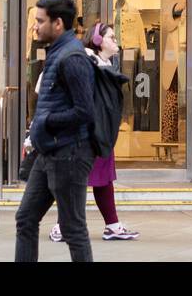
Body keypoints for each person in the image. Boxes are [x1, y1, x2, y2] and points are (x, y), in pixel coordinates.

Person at [15, 0, 96, 262]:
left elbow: (84, 111)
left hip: (69, 153)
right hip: (49, 151)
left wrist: (46, 120)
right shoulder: (58, 52)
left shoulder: (72, 57)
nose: (34, 26)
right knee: (26, 218)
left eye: (40, 21)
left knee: (73, 228)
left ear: (58, 23)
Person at [50, 22, 138, 243]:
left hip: (100, 134)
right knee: (77, 181)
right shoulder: (85, 62)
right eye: (111, 37)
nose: (115, 41)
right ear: (98, 40)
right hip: (85, 134)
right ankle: (62, 226)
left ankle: (112, 225)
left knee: (102, 179)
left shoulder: (103, 63)